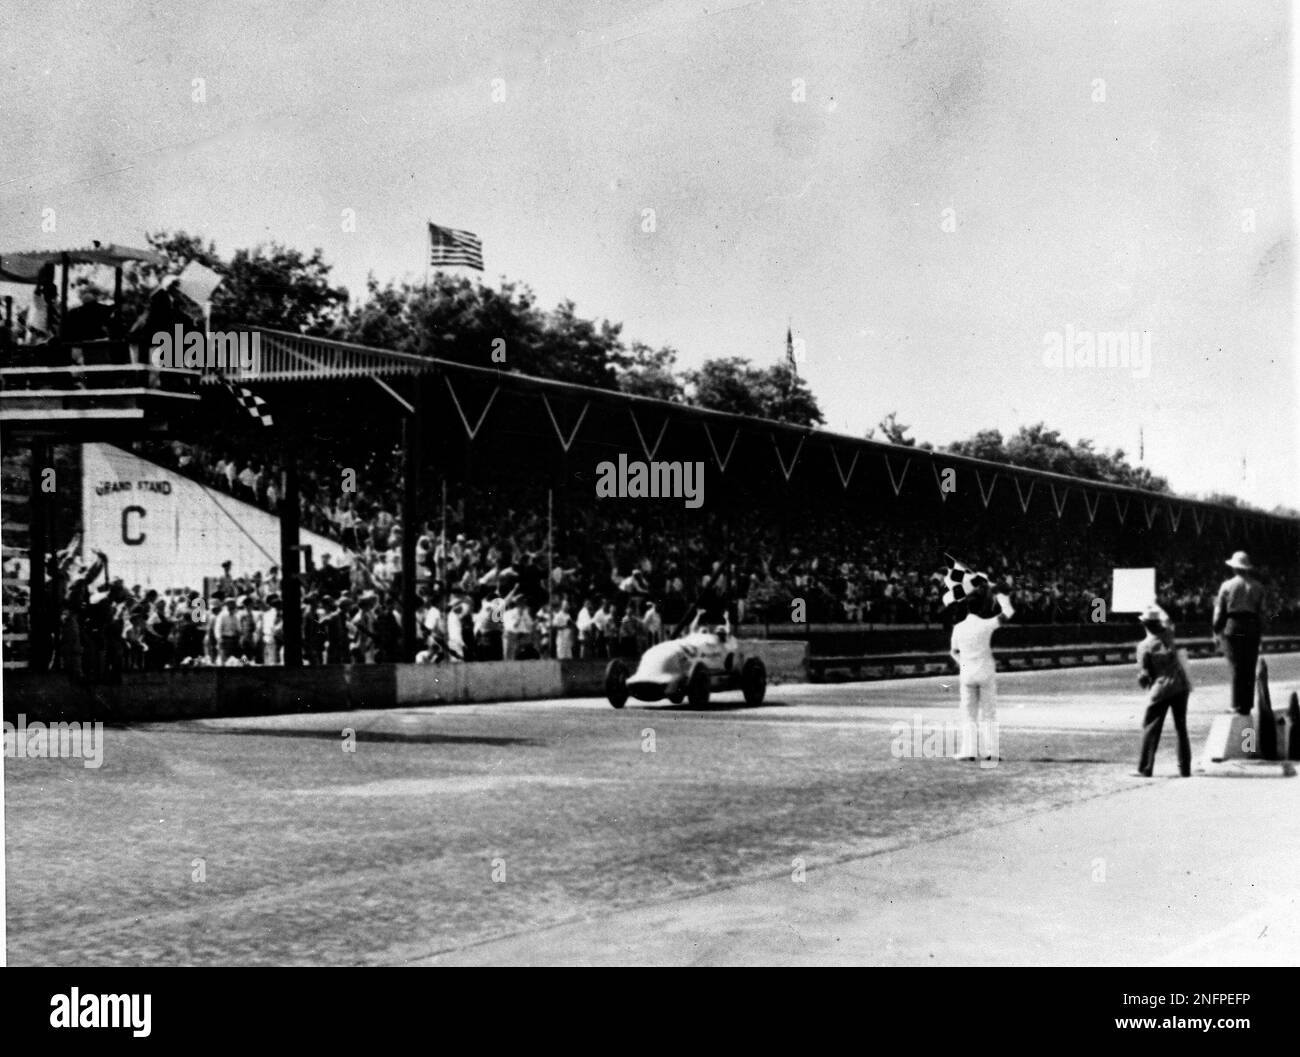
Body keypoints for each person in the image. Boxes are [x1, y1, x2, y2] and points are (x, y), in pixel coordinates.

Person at [948, 576, 1015, 761]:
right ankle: (991, 752)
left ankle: (968, 751)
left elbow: (954, 651)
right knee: (989, 713)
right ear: (981, 608)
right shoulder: (986, 624)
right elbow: (1008, 612)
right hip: (985, 671)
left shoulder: (959, 628)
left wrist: (962, 663)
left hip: (967, 673)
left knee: (968, 714)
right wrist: (1001, 595)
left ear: (967, 608)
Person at [1134, 603, 1192, 777]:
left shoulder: (1144, 646)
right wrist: (1156, 605)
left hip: (1161, 688)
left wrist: (1142, 680)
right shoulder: (1168, 634)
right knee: (1181, 728)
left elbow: (1145, 676)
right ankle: (1185, 769)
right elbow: (1168, 619)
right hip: (1181, 685)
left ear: (1144, 625)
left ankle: (1145, 768)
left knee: (1150, 726)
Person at [1212, 551, 1265, 716]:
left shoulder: (1226, 586)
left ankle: (1235, 704)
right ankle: (1246, 704)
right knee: (1249, 665)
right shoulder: (1258, 586)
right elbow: (1262, 612)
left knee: (1236, 665)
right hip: (1252, 627)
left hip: (1233, 625)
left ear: (1234, 568)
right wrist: (1259, 630)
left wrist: (1216, 629)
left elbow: (1220, 611)